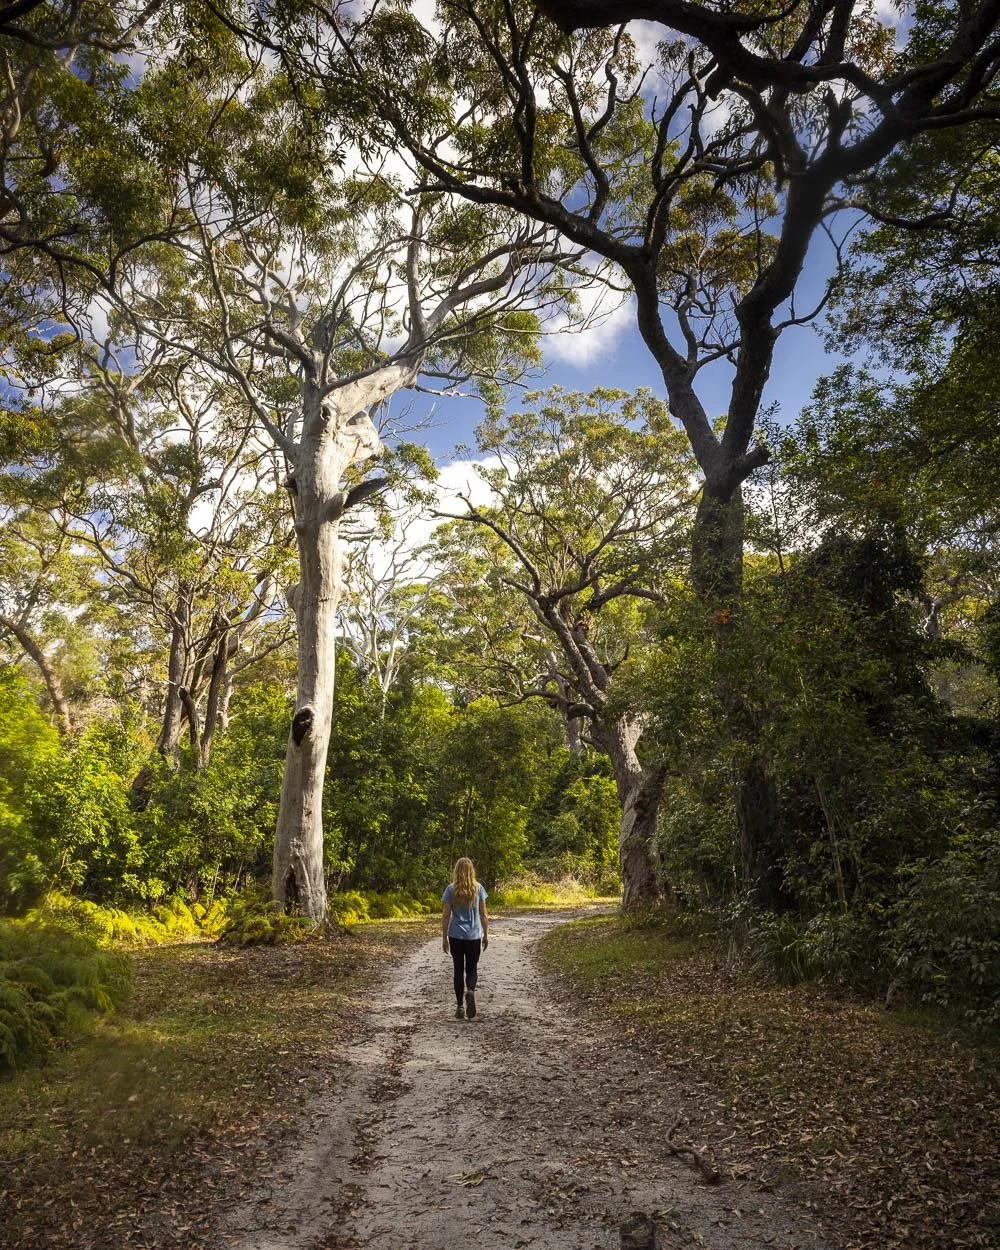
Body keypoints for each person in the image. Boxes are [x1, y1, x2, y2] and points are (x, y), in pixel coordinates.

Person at [442, 857, 488, 1019]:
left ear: (456, 871)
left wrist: (444, 937)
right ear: (471, 871)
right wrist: (486, 935)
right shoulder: (478, 889)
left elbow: (446, 915)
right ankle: (470, 990)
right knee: (471, 967)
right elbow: (484, 915)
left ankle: (460, 1006)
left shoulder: (450, 889)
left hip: (455, 935)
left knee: (457, 969)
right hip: (474, 935)